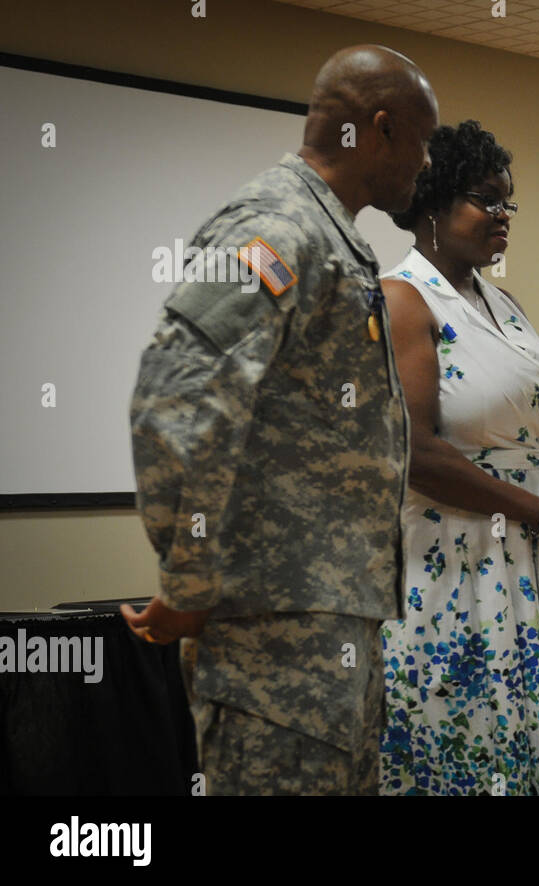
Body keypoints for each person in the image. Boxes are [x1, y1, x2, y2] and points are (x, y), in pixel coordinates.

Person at [122, 45, 439, 795]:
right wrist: (190, 581)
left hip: (331, 624)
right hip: (274, 639)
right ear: (382, 129)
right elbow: (179, 399)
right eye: (423, 144)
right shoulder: (277, 226)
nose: (425, 166)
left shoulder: (335, 237)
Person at [378, 120, 539, 795]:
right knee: (465, 747)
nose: (504, 216)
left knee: (527, 743)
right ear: (433, 203)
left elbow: (533, 425)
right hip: (452, 563)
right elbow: (415, 453)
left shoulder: (503, 302)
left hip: (526, 560)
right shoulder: (401, 299)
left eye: (510, 202)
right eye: (487, 199)